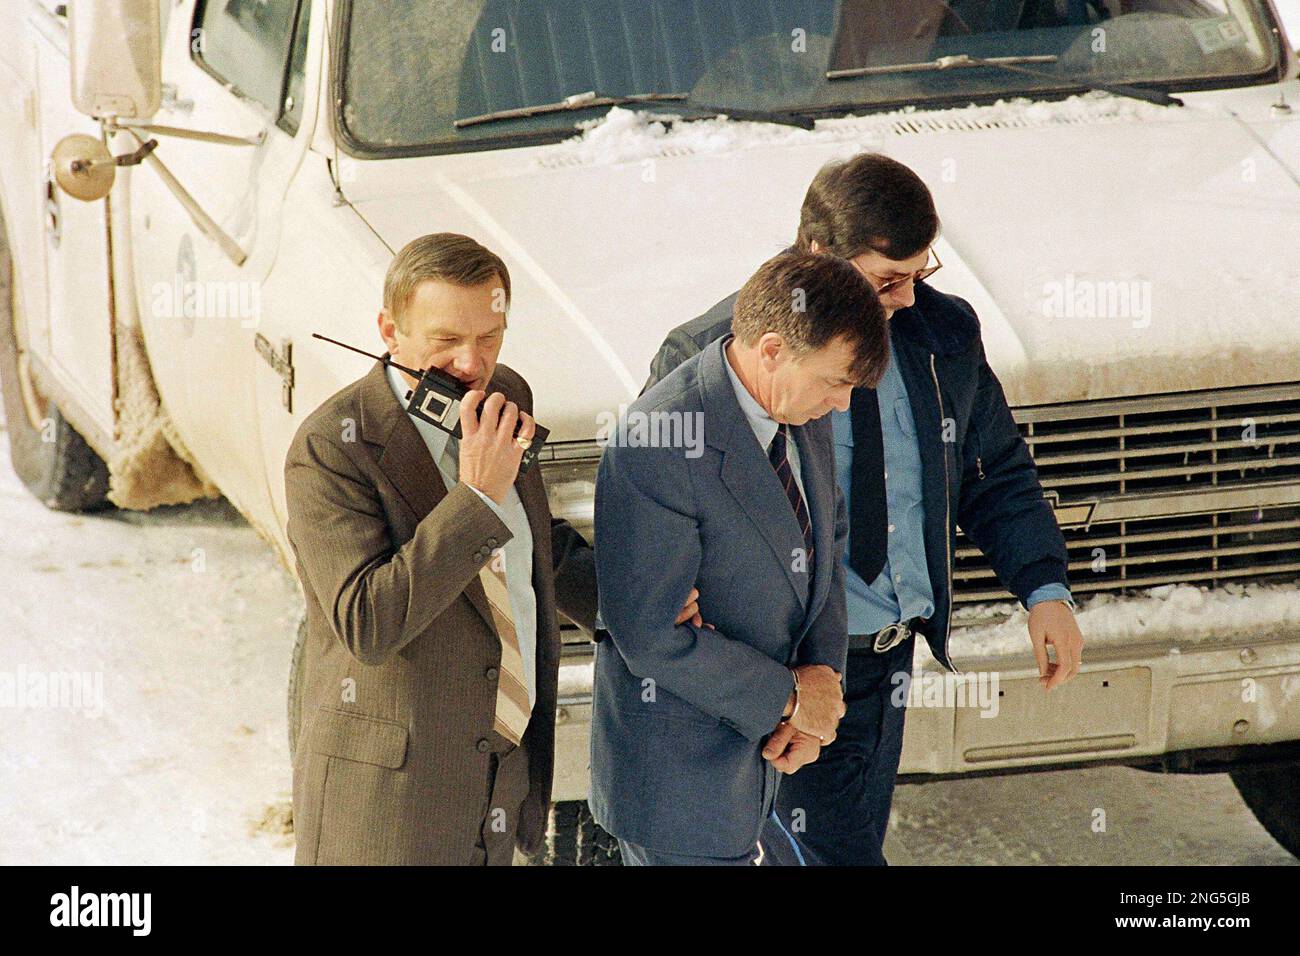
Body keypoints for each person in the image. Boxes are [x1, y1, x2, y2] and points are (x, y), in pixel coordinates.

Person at [644, 153, 1085, 866]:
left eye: (920, 274)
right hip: (779, 673)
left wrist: (1044, 587)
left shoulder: (940, 335)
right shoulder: (715, 352)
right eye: (888, 280)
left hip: (885, 665)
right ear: (820, 255)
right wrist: (743, 678)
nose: (907, 298)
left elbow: (992, 470)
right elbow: (660, 518)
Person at [284, 232, 699, 864]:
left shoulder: (506, 393)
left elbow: (535, 546)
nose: (473, 365)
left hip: (499, 774)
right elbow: (368, 623)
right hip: (390, 803)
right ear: (389, 330)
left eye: (489, 337)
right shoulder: (332, 450)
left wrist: (639, 602)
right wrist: (475, 497)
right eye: (445, 341)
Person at [591, 251, 890, 865]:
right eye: (835, 382)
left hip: (763, 760)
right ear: (774, 349)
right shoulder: (659, 441)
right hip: (679, 787)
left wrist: (818, 698)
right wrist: (790, 696)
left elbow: (826, 547)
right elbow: (650, 637)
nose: (841, 405)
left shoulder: (794, 405)